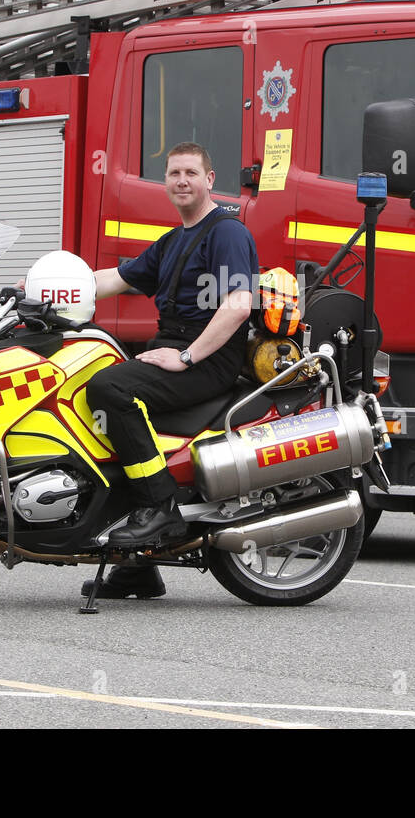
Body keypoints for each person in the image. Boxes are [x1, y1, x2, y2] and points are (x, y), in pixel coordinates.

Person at [82, 141, 258, 599]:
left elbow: (238, 305)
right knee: (102, 408)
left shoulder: (228, 233)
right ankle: (138, 566)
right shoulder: (173, 240)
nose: (182, 181)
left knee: (108, 390)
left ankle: (160, 508)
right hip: (176, 350)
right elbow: (116, 279)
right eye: (174, 173)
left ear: (209, 180)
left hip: (208, 359)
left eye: (190, 173)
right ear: (165, 182)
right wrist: (48, 285)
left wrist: (185, 358)